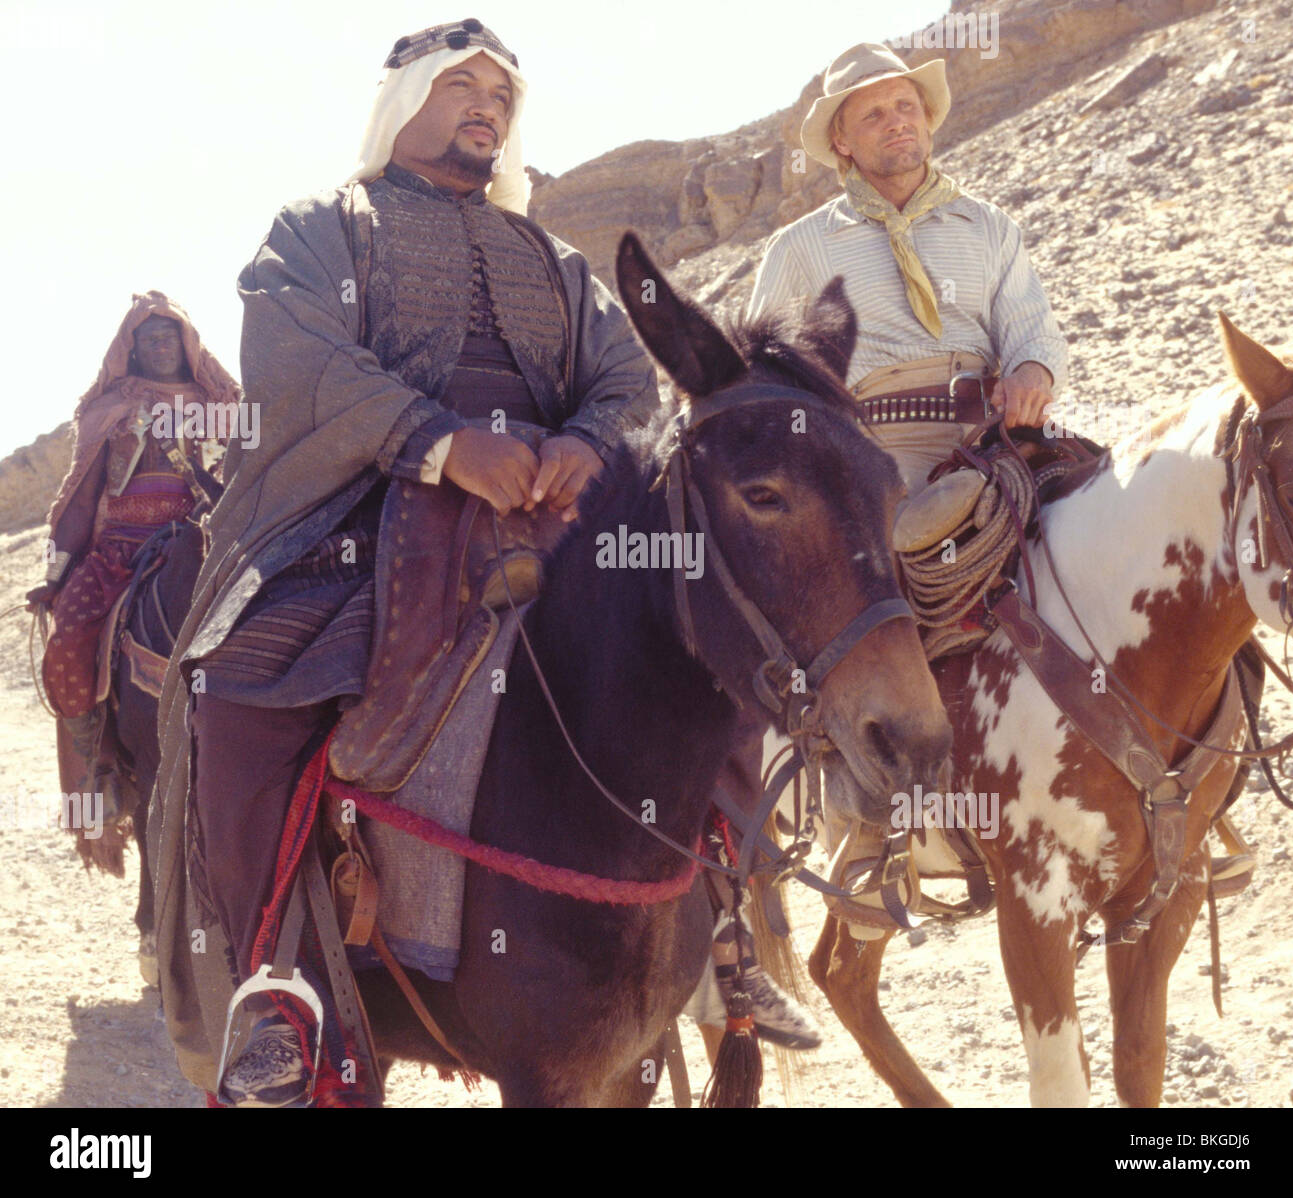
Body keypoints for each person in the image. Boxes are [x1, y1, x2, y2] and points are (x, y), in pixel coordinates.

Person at [152, 18, 806, 1107]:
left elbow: (621, 383)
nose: (487, 104)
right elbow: (299, 356)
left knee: (710, 664)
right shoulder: (318, 231)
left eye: (502, 91)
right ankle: (276, 983)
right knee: (243, 679)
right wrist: (446, 443)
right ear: (401, 99)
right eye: (461, 82)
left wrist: (576, 446)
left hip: (547, 515)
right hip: (355, 512)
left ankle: (727, 925)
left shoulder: (553, 259)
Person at [748, 41, 1069, 498]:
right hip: (877, 450)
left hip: (996, 430)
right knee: (913, 543)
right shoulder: (799, 246)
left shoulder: (988, 225)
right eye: (873, 115)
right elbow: (760, 376)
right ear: (842, 142)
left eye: (905, 105)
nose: (896, 120)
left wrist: (1032, 374)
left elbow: (1033, 332)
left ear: (926, 118)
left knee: (1109, 512)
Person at [30, 293, 235, 853]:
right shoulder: (112, 409)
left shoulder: (224, 404)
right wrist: (54, 575)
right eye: (148, 339)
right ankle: (98, 774)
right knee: (70, 635)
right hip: (119, 551)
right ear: (133, 350)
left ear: (188, 343)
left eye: (170, 335)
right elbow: (78, 496)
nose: (161, 345)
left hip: (204, 542)